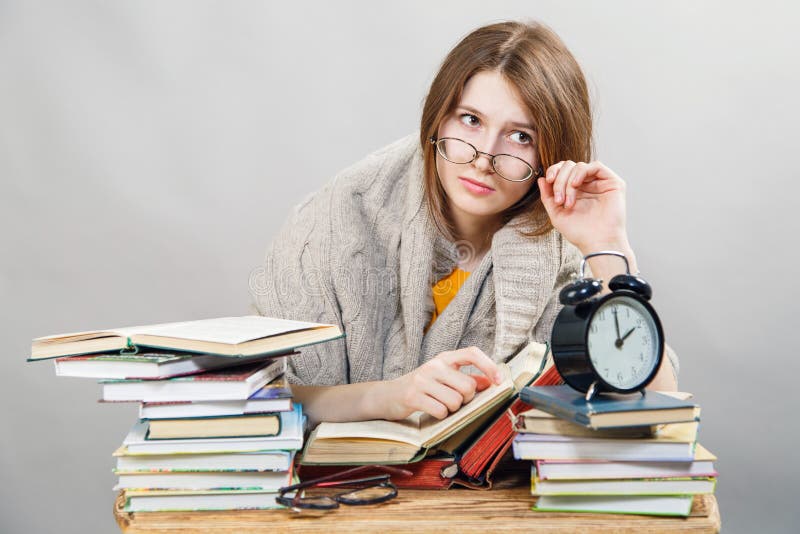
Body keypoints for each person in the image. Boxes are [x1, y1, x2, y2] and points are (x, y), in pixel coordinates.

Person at [250, 20, 678, 426]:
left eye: (520, 136)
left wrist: (607, 246)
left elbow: (657, 406)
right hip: (343, 477)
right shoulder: (343, 214)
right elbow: (261, 398)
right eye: (470, 120)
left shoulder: (563, 244)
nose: (483, 158)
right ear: (439, 118)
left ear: (552, 152)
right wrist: (390, 397)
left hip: (495, 482)